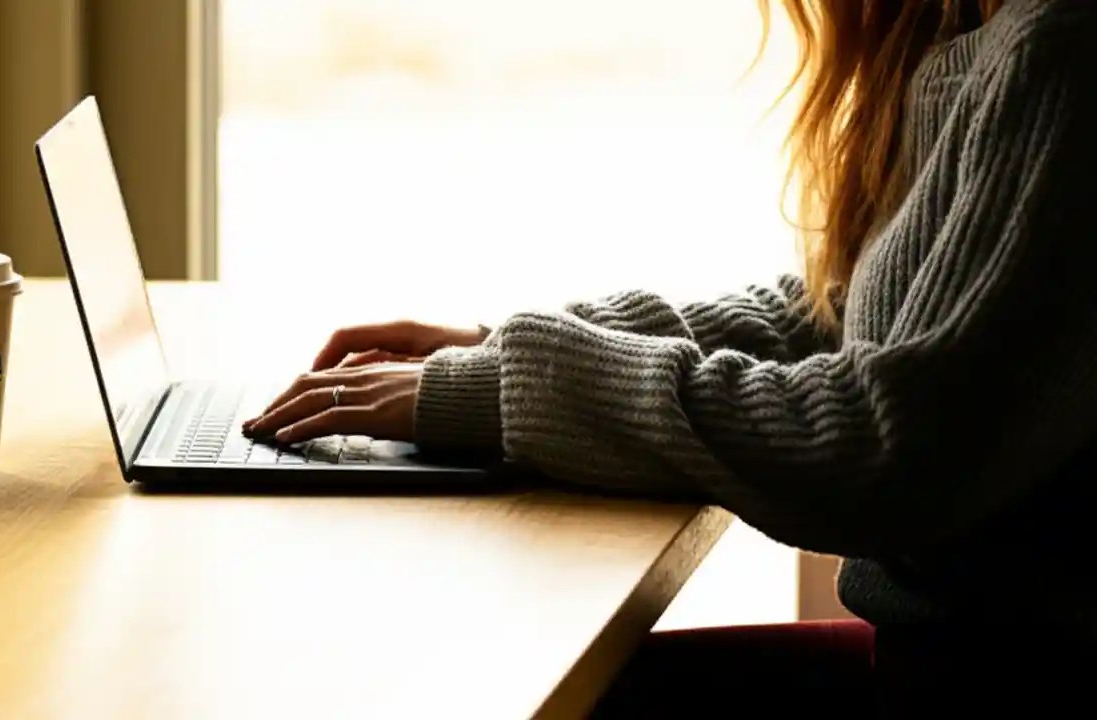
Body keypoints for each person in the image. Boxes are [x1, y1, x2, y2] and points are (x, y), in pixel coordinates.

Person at [244, 0, 1097, 713]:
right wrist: (503, 348)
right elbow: (838, 315)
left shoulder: (1062, 52)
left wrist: (523, 384)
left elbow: (880, 444)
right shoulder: (993, 30)